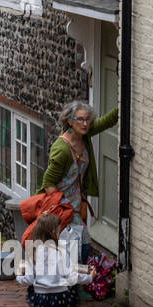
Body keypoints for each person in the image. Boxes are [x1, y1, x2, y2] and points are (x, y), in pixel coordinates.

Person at [40, 100, 118, 264]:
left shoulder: (84, 134)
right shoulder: (61, 150)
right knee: (79, 244)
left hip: (76, 203)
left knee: (76, 245)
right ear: (69, 120)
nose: (85, 123)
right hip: (62, 205)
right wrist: (62, 209)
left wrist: (122, 102)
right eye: (80, 119)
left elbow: (107, 121)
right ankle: (69, 282)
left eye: (88, 119)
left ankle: (72, 282)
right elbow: (48, 183)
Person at [16, 214, 94, 307]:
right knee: (70, 283)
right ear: (53, 232)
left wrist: (19, 276)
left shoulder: (32, 253)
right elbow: (72, 277)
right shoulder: (61, 251)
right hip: (61, 301)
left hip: (40, 302)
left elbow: (29, 280)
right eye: (59, 230)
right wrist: (90, 277)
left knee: (33, 284)